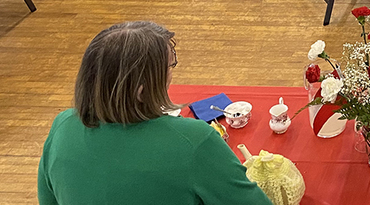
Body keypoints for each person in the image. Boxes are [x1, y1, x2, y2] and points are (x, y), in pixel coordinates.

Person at [37, 21, 273, 205]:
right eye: (169, 68)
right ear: (141, 90)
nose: (171, 75)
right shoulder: (194, 141)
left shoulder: (62, 126)